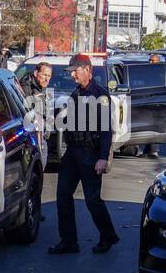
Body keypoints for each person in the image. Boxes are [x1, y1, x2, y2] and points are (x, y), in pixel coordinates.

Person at [49, 53, 119, 255]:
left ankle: (107, 236)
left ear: (87, 70)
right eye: (71, 72)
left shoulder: (100, 95)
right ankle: (69, 241)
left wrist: (103, 157)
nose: (72, 76)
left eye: (74, 72)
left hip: (91, 154)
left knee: (92, 200)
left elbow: (106, 130)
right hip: (73, 153)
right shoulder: (76, 94)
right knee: (63, 195)